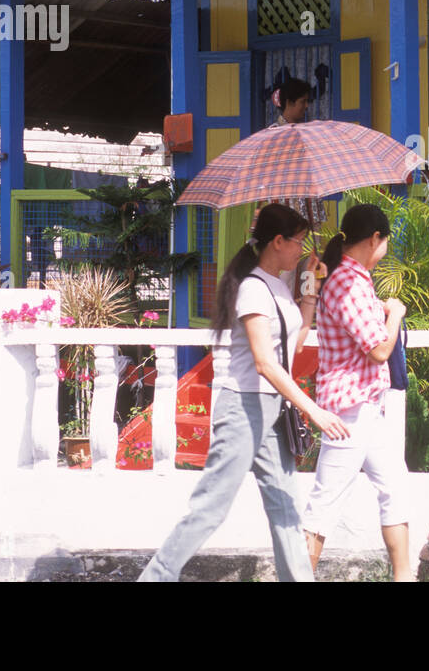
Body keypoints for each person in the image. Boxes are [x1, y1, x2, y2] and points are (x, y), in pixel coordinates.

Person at [139, 204, 351, 583]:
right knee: (210, 509)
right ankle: (155, 578)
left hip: (272, 410)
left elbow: (295, 342)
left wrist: (310, 287)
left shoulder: (278, 286)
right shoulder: (252, 288)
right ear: (277, 241)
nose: (301, 250)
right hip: (243, 409)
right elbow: (265, 364)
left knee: (286, 508)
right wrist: (313, 410)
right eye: (297, 243)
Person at [303, 203, 412, 581]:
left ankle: (404, 576)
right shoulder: (348, 283)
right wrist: (395, 314)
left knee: (394, 489)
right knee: (323, 506)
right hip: (349, 411)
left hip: (367, 406)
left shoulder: (353, 278)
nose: (385, 250)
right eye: (385, 242)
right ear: (374, 239)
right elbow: (379, 349)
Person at [264, 77, 327, 240]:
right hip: (286, 215)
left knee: (312, 263)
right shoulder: (273, 135)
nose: (306, 106)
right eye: (303, 101)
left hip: (310, 212)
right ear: (289, 103)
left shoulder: (307, 132)